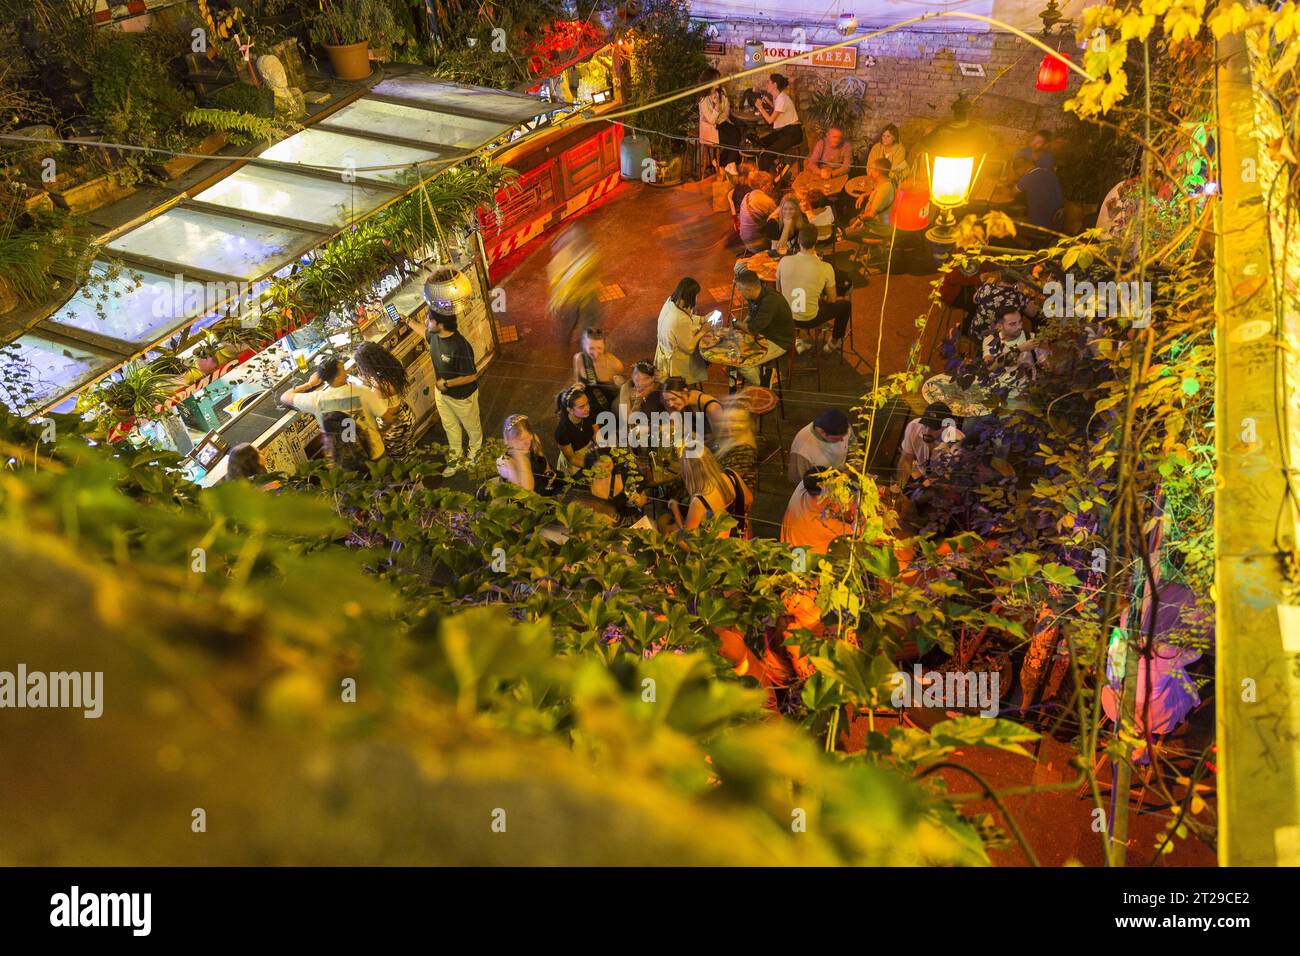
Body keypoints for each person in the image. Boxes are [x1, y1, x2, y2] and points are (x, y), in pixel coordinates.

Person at [279, 356, 386, 462]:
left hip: (345, 460)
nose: (347, 370)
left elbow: (284, 397)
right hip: (374, 452)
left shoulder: (316, 399)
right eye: (343, 369)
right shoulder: (363, 392)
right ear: (337, 377)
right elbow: (387, 416)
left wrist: (309, 384)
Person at [420, 309, 482, 477]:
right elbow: (423, 332)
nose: (426, 322)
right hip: (441, 393)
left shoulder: (460, 345)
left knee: (472, 427)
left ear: (441, 324)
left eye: (429, 320)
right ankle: (456, 457)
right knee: (449, 426)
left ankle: (474, 451)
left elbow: (471, 376)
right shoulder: (434, 335)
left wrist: (447, 383)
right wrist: (406, 322)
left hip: (462, 396)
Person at [776, 225, 850, 354]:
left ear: (798, 241)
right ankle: (833, 342)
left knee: (800, 302)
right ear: (816, 242)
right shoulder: (826, 267)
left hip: (787, 317)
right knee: (845, 305)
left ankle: (799, 337)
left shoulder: (784, 261)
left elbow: (779, 292)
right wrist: (824, 298)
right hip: (810, 319)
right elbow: (832, 300)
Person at [670, 445, 752, 538]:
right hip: (738, 539)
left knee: (666, 526)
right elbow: (749, 499)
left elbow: (688, 538)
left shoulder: (699, 501)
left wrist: (675, 508)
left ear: (689, 473)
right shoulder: (731, 475)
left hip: (715, 548)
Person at [352, 342, 416, 460]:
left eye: (361, 365)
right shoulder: (390, 369)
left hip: (395, 427)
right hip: (405, 414)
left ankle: (414, 478)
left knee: (400, 462)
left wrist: (379, 434)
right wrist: (369, 380)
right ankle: (417, 475)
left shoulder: (380, 386)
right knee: (408, 452)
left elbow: (388, 417)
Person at [735, 268, 794, 385]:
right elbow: (751, 315)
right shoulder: (756, 294)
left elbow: (752, 329)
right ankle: (766, 372)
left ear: (749, 289)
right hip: (764, 334)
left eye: (740, 289)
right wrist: (742, 326)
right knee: (735, 348)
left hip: (778, 340)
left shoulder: (770, 301)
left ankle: (765, 389)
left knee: (743, 365)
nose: (739, 292)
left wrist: (736, 323)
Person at [546, 223, 602, 346]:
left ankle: (582, 350)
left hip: (576, 302)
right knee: (572, 332)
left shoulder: (586, 256)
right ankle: (580, 349)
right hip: (574, 303)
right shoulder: (588, 256)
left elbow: (557, 280)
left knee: (575, 332)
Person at [781, 467, 856, 555]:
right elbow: (858, 531)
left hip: (792, 544)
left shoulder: (806, 483)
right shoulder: (823, 522)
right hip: (805, 561)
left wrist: (849, 471)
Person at [982, 307, 1047, 400]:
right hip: (998, 394)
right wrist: (1019, 349)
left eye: (1020, 321)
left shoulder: (1031, 338)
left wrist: (1048, 350)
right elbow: (990, 367)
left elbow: (1048, 367)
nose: (1019, 326)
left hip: (1026, 395)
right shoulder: (991, 340)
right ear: (999, 326)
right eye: (1013, 324)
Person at [894, 401, 961, 492]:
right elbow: (906, 459)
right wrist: (899, 488)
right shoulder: (914, 426)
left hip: (943, 488)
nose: (927, 431)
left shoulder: (957, 444)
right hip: (921, 477)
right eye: (926, 424)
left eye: (934, 427)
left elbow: (951, 482)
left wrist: (922, 489)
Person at [654, 277, 710, 384]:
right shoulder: (680, 319)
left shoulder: (671, 301)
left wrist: (702, 319)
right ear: (691, 297)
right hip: (676, 363)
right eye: (696, 296)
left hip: (663, 351)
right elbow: (689, 348)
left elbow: (685, 317)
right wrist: (704, 330)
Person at [497, 414, 562, 495]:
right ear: (510, 440)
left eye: (529, 436)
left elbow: (543, 460)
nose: (527, 442)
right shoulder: (505, 462)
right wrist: (520, 456)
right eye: (522, 439)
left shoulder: (532, 440)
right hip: (532, 501)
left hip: (548, 487)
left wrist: (549, 472)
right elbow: (527, 491)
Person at [970, 268, 1038, 343]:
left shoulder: (987, 287)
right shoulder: (1018, 295)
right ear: (1018, 280)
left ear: (1000, 276)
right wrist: (1022, 290)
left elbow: (974, 299)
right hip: (998, 341)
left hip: (977, 334)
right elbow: (1033, 313)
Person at [754, 73, 803, 174]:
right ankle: (780, 165)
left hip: (793, 133)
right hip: (785, 131)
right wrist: (768, 102)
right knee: (761, 142)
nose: (766, 84)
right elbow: (779, 110)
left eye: (768, 82)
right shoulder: (777, 97)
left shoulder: (782, 99)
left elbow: (770, 120)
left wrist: (760, 107)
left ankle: (765, 182)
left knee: (766, 156)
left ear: (774, 85)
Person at [787, 407, 850, 483]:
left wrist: (853, 465)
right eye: (836, 439)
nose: (842, 440)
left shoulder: (842, 426)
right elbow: (803, 482)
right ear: (822, 432)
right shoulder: (802, 451)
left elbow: (852, 443)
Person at [572, 327, 626, 413]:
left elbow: (625, 390)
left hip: (609, 407)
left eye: (599, 348)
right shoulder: (579, 359)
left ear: (604, 346)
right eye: (591, 348)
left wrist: (620, 385)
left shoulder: (615, 364)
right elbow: (577, 382)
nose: (595, 353)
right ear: (584, 346)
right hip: (587, 405)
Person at [1010, 154, 1064, 239]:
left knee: (1007, 224)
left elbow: (1012, 193)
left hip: (1040, 225)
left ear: (1020, 169)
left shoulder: (1029, 177)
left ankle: (1025, 248)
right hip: (1056, 223)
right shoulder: (1049, 173)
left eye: (1017, 172)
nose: (1018, 175)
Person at [698, 68, 739, 170]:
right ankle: (729, 164)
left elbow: (726, 110)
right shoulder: (703, 99)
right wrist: (716, 106)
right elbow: (711, 121)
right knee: (732, 139)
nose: (719, 81)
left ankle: (721, 162)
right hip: (709, 129)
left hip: (721, 122)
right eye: (717, 79)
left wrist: (719, 117)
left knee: (737, 132)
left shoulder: (721, 91)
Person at [660, 376, 727, 438]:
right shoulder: (683, 402)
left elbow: (721, 440)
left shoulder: (712, 407)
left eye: (673, 399)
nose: (671, 404)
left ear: (685, 392)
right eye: (667, 400)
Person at [847, 156, 895, 239]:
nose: (869, 170)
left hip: (877, 230)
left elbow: (871, 215)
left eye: (871, 169)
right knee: (851, 221)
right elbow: (875, 191)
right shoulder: (885, 181)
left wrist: (859, 219)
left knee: (847, 233)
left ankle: (877, 247)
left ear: (877, 173)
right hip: (874, 223)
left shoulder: (884, 190)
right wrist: (864, 195)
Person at [554, 383, 596, 474]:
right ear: (570, 410)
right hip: (576, 461)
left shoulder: (588, 413)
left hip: (590, 450)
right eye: (581, 407)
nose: (587, 408)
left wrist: (602, 450)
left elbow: (596, 433)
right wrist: (592, 466)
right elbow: (571, 458)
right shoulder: (562, 431)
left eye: (587, 403)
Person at [737, 170, 779, 253]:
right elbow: (781, 218)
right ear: (762, 186)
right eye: (770, 184)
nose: (773, 187)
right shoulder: (766, 201)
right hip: (759, 244)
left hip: (746, 241)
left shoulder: (747, 195)